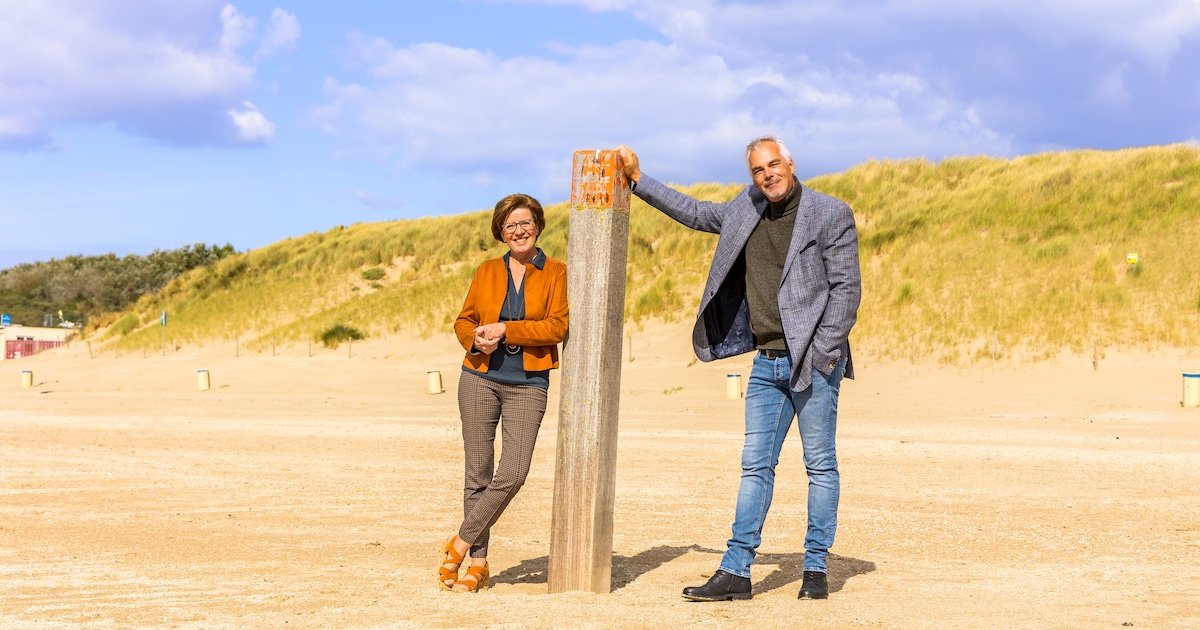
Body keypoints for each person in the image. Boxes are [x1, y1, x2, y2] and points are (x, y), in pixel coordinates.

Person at [617, 137, 861, 601]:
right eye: (757, 170)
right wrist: (636, 180)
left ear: (790, 163)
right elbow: (693, 211)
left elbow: (846, 291)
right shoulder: (745, 208)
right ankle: (736, 572)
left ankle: (815, 569)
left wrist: (824, 353)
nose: (767, 175)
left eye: (773, 165)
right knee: (755, 468)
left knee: (820, 466)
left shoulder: (830, 212)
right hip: (767, 364)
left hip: (813, 363)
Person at [437, 193, 568, 592]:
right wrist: (477, 340)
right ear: (501, 231)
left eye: (525, 223)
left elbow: (556, 327)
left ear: (538, 226)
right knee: (477, 473)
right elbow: (464, 320)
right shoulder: (486, 270)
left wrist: (508, 329)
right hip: (478, 377)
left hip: (529, 383)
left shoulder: (557, 271)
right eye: (510, 225)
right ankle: (479, 564)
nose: (518, 231)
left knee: (513, 473)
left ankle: (459, 543)